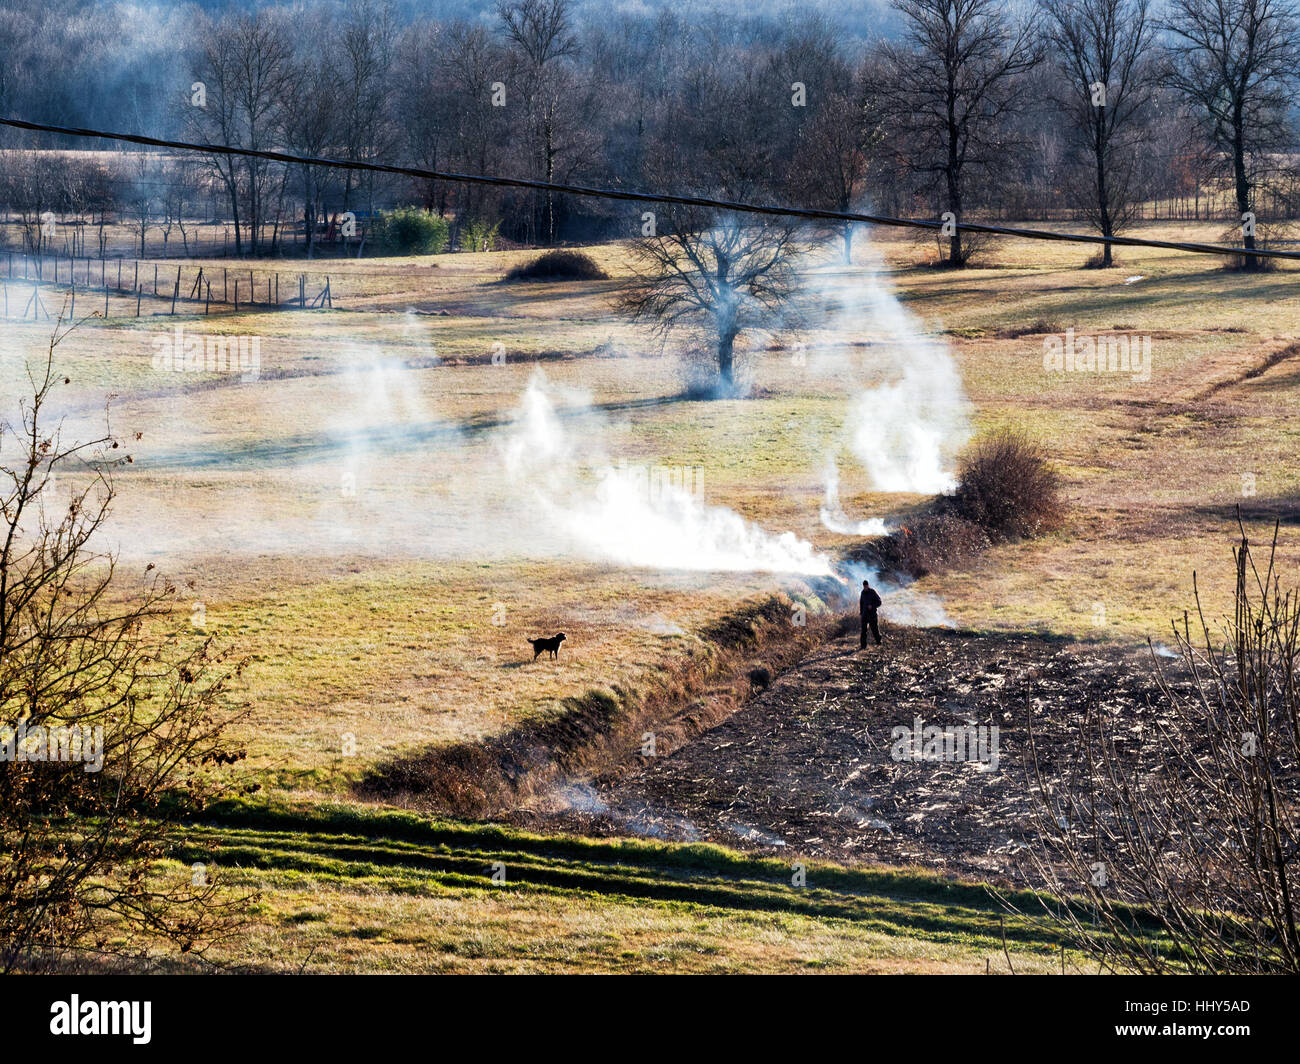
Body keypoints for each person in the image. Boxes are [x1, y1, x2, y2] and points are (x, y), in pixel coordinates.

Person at [859, 578, 882, 648]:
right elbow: (861, 603)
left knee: (875, 630)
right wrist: (861, 612)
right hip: (865, 615)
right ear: (863, 586)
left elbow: (879, 602)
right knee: (863, 631)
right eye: (864, 586)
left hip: (872, 615)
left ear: (868, 585)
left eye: (866, 586)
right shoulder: (862, 593)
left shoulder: (872, 592)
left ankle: (879, 642)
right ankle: (863, 645)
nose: (865, 587)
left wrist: (872, 606)